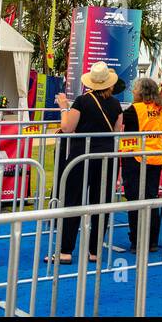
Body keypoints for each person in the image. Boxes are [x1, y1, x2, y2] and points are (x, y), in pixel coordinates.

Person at [49, 61, 123, 264]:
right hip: (106, 157)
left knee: (73, 201)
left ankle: (65, 251)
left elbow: (67, 128)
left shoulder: (82, 101)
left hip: (81, 157)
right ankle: (95, 251)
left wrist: (63, 108)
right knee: (101, 203)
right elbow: (118, 131)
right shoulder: (116, 104)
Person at [120, 76, 162, 252]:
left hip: (136, 157)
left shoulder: (135, 109)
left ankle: (137, 241)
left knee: (135, 200)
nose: (133, 92)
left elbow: (120, 124)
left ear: (140, 92)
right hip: (156, 156)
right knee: (151, 199)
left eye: (135, 89)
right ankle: (152, 240)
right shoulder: (159, 108)